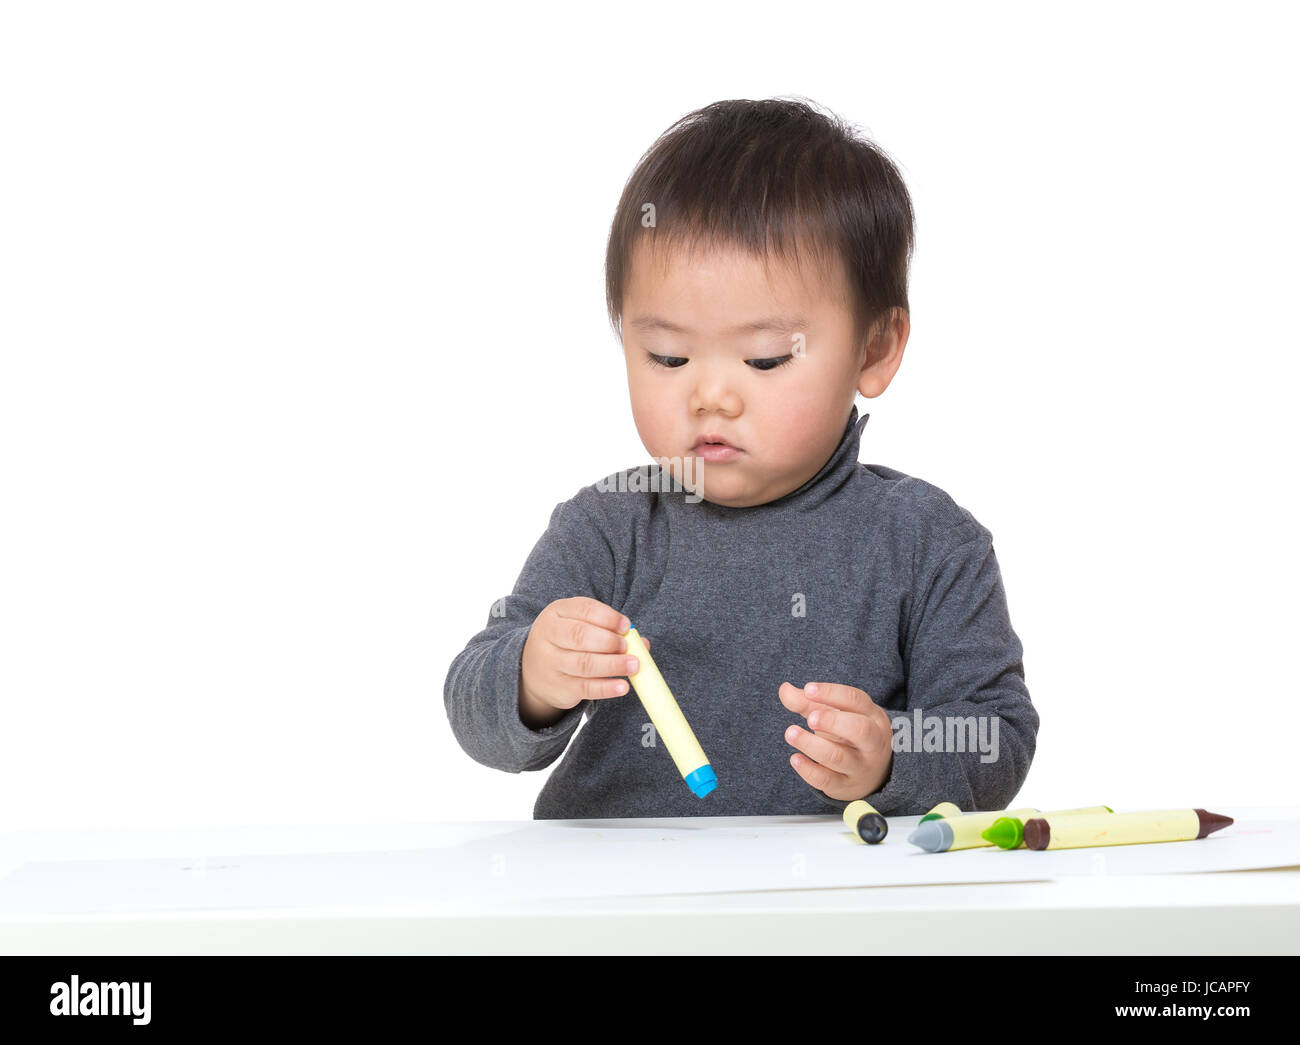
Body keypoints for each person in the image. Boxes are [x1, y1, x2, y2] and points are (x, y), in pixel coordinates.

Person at [444, 96, 1039, 818]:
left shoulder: (926, 542)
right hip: (616, 880)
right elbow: (474, 704)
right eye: (668, 356)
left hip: (834, 883)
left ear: (874, 348)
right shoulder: (610, 525)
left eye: (763, 359)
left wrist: (894, 754)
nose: (711, 396)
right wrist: (533, 676)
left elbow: (997, 735)